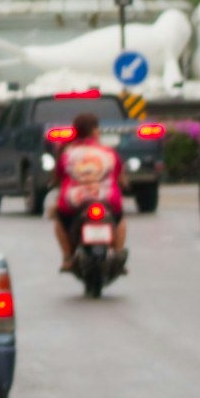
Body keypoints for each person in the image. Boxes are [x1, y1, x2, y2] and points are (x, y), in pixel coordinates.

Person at [46, 114, 128, 280]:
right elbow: (120, 176)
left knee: (59, 220)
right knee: (120, 220)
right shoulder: (108, 152)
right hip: (106, 199)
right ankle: (119, 255)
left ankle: (68, 257)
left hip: (74, 201)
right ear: (95, 131)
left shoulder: (67, 153)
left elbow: (57, 177)